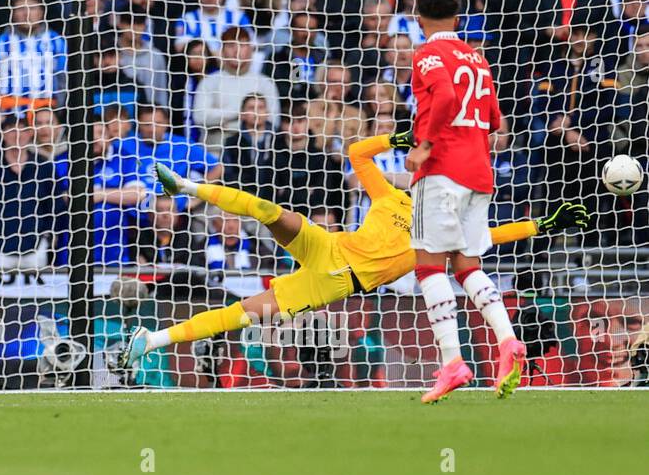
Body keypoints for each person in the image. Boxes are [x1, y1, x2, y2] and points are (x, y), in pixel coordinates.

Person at [118, 136, 592, 371]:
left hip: (334, 284)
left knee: (244, 314)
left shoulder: (440, 236)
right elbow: (356, 152)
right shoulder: (390, 197)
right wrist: (396, 140)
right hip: (328, 244)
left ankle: (151, 340)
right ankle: (185, 185)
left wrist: (544, 224)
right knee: (268, 210)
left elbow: (495, 233)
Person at [406, 0, 520, 404]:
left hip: (442, 173)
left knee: (428, 268)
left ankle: (453, 362)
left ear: (418, 18)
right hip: (479, 173)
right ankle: (507, 340)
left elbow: (448, 96)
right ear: (458, 19)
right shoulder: (478, 58)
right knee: (468, 266)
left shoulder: (426, 55)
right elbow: (495, 120)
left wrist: (424, 146)